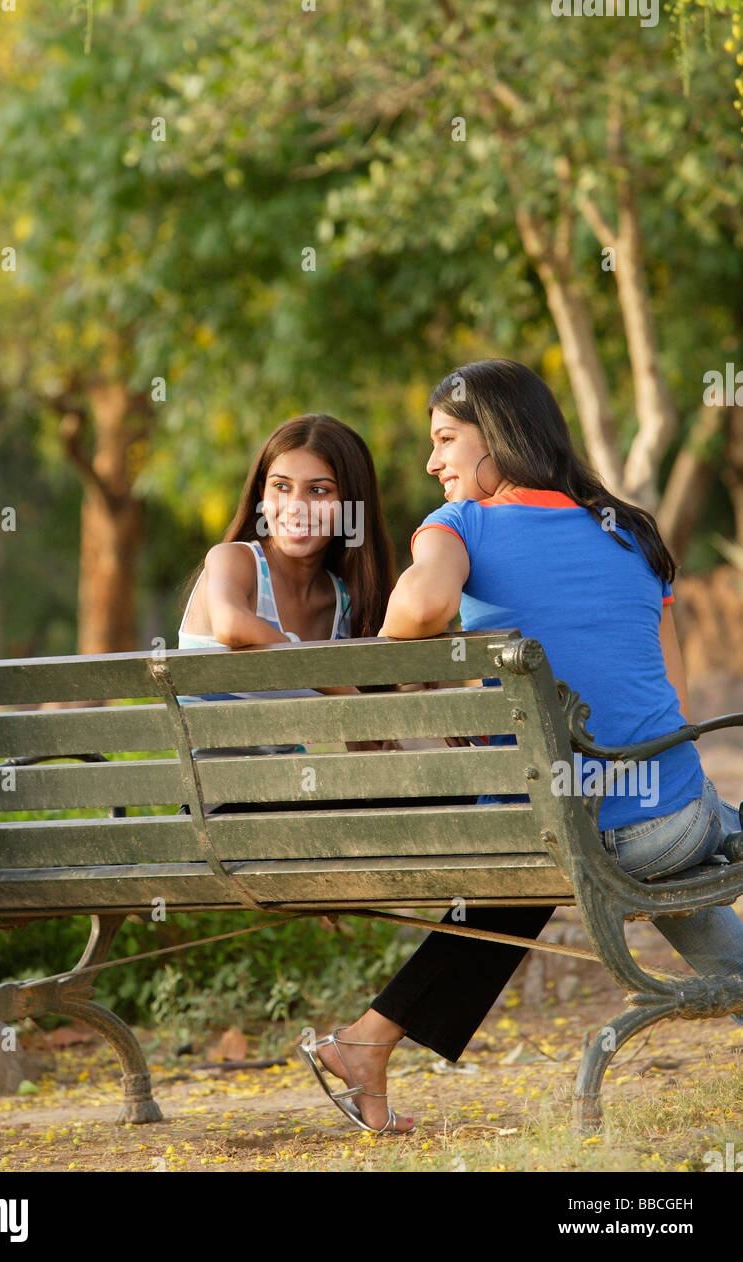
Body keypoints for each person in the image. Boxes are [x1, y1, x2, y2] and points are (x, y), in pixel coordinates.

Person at [298, 358, 743, 1135]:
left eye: (445, 440)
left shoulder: (461, 526)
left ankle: (369, 1041)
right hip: (660, 825)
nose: (433, 462)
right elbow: (659, 698)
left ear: (495, 444)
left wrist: (381, 651)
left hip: (548, 835)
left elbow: (427, 601)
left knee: (587, 839)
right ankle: (368, 1043)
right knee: (701, 833)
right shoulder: (632, 528)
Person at [176, 414, 395, 773]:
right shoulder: (234, 561)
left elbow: (367, 740)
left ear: (351, 503)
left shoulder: (343, 600)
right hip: (218, 808)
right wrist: (341, 689)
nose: (296, 505)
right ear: (262, 493)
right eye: (281, 486)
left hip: (293, 800)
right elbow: (232, 626)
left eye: (318, 490)